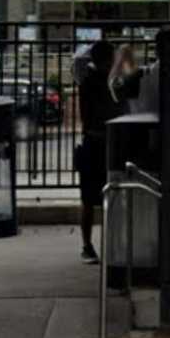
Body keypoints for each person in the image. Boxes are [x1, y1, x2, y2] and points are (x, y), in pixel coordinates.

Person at [76, 41, 119, 264]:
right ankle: (109, 244)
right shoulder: (106, 83)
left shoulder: (87, 82)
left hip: (92, 141)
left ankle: (87, 245)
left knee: (88, 198)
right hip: (102, 142)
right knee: (108, 196)